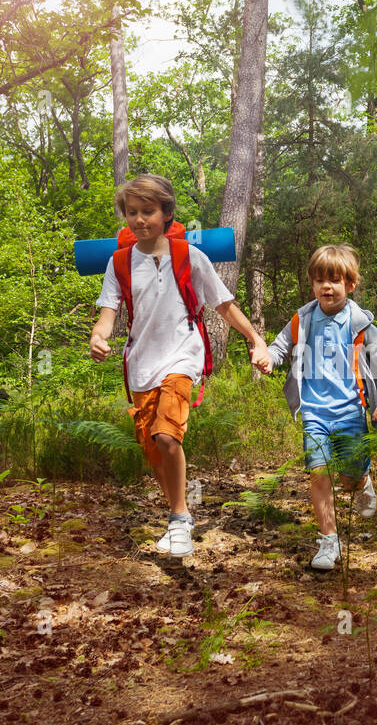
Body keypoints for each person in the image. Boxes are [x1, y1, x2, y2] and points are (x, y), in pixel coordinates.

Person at [89, 173, 271, 557]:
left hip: (183, 357)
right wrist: (99, 336)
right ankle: (181, 515)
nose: (139, 220)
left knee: (169, 435)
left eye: (148, 211)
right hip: (140, 363)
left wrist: (256, 341)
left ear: (167, 213)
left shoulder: (190, 256)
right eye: (132, 212)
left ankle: (177, 519)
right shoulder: (119, 262)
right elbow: (109, 311)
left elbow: (224, 305)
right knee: (156, 449)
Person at [265, 245, 377, 570]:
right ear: (312, 283)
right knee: (318, 473)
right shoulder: (303, 319)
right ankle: (329, 541)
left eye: (334, 280)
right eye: (320, 279)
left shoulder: (361, 324)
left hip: (352, 410)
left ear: (350, 284)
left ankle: (362, 481)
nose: (326, 286)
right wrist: (268, 358)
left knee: (349, 478)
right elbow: (280, 346)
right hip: (314, 412)